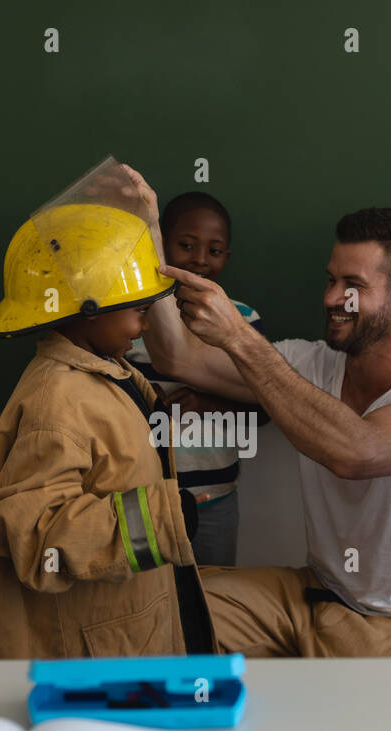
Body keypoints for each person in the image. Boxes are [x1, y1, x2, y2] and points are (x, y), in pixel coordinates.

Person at [130, 167, 391, 671]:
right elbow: (177, 359)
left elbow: (358, 451)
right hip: (310, 596)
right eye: (331, 280)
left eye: (353, 285)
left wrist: (241, 338)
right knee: (143, 604)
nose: (331, 299)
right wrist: (150, 240)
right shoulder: (308, 362)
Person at [0, 160, 217, 658]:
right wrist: (164, 519)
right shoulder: (56, 401)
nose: (145, 328)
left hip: (131, 630)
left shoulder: (111, 376)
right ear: (88, 309)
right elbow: (39, 536)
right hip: (94, 656)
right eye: (137, 313)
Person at [124, 191, 266, 566]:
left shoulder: (244, 322)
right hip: (144, 496)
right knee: (146, 597)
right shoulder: (129, 321)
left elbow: (265, 406)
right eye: (186, 245)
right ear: (161, 245)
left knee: (212, 601)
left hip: (215, 497)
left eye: (214, 251)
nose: (200, 259)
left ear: (227, 257)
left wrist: (207, 403)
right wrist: (142, 396)